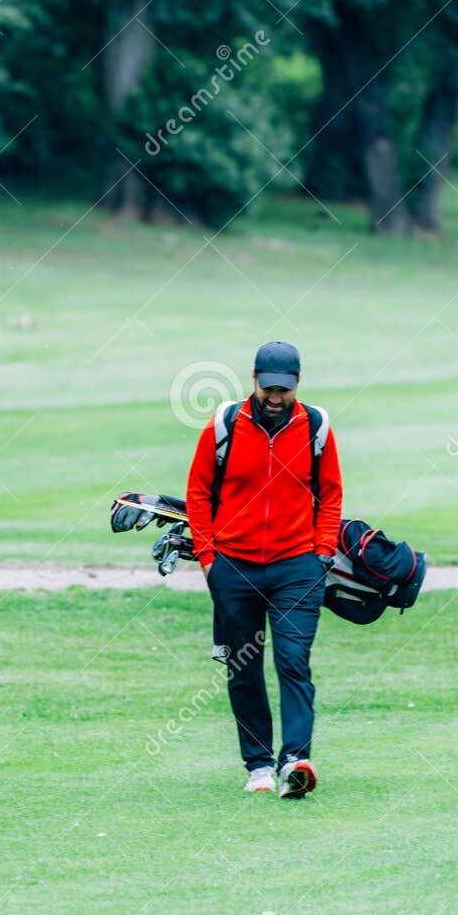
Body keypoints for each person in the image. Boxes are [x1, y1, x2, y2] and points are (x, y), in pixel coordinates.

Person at [185, 341, 343, 798]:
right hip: (233, 567)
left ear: (298, 383)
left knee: (293, 661)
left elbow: (330, 493)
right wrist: (210, 560)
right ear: (254, 379)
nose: (276, 397)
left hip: (298, 566)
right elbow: (198, 494)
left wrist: (322, 552)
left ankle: (296, 760)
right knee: (244, 667)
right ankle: (258, 765)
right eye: (269, 387)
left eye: (285, 389)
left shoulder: (315, 425)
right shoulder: (224, 425)